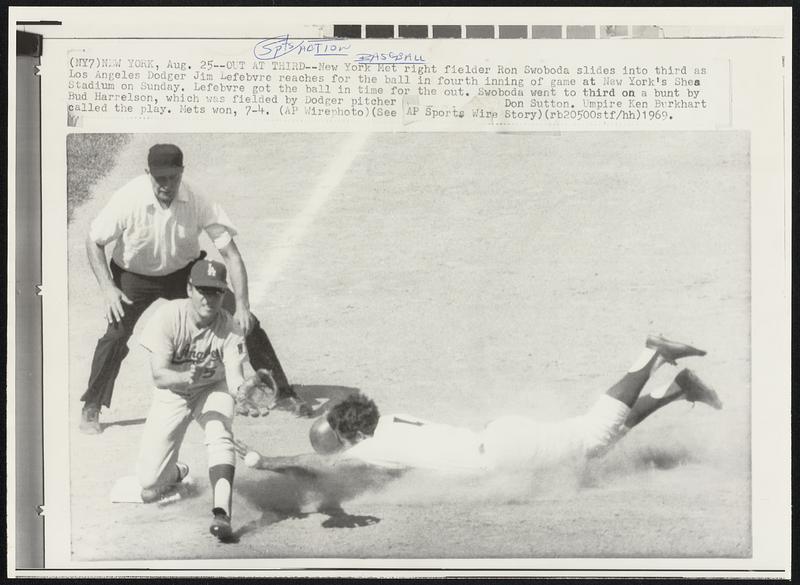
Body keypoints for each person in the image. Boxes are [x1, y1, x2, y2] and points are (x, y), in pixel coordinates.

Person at [235, 334, 723, 474]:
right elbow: (343, 408)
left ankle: (652, 357)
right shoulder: (389, 419)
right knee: (593, 439)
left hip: (507, 450)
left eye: (337, 442)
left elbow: (307, 463)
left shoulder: (365, 450)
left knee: (593, 435)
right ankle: (677, 389)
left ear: (350, 436)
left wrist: (263, 460)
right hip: (497, 436)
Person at [80, 143, 310, 434]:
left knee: (246, 323)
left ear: (182, 173)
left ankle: (282, 392)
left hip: (184, 273)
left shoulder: (198, 199)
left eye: (173, 177)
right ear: (147, 173)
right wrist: (108, 288)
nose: (166, 185)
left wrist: (242, 305)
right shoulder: (128, 198)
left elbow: (232, 255)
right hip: (133, 275)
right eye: (159, 178)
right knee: (116, 334)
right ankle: (91, 406)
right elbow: (94, 241)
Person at [134, 258, 274, 541]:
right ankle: (176, 472)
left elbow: (234, 377)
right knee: (149, 487)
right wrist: (185, 376)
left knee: (219, 431)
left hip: (212, 389)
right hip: (171, 394)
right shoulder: (168, 317)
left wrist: (242, 394)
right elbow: (159, 376)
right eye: (203, 290)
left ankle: (221, 513)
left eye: (217, 291)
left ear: (224, 294)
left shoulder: (230, 328)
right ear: (189, 289)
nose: (209, 298)